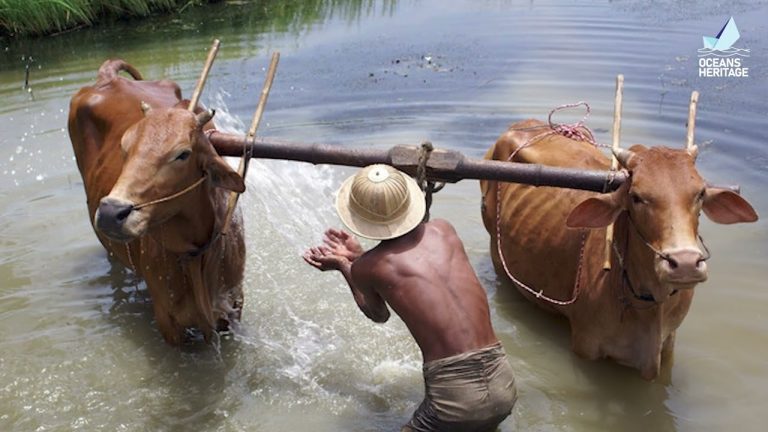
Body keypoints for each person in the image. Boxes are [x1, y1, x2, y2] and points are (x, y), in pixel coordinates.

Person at [303, 164, 517, 432]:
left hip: (456, 396)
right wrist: (360, 260)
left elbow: (378, 315)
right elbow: (411, 268)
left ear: (360, 217)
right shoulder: (444, 230)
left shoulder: (369, 267)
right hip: (503, 380)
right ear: (408, 202)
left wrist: (345, 267)